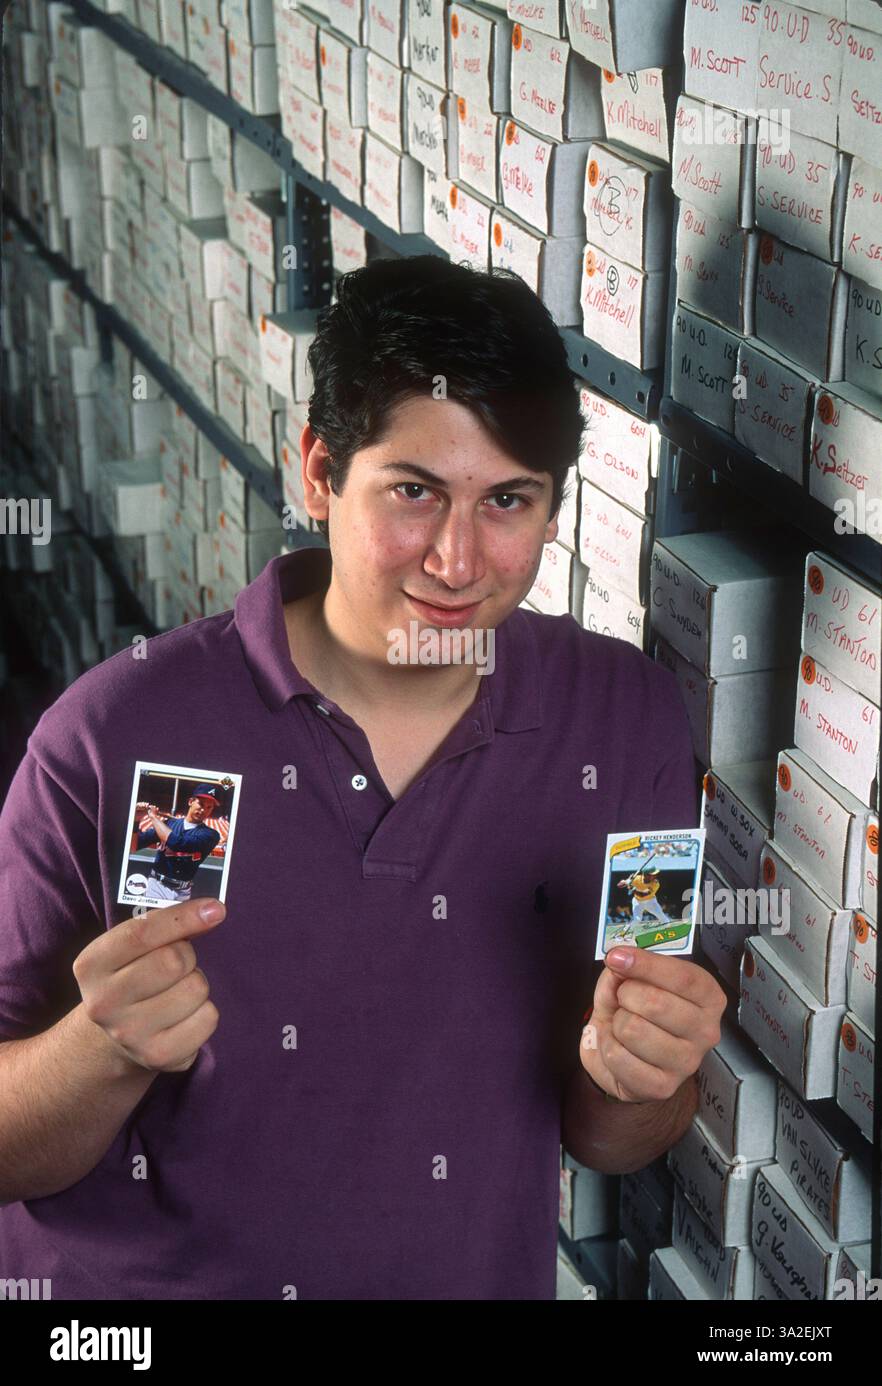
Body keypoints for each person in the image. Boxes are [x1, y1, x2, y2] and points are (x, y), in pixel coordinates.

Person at [0, 256, 726, 1300]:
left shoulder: (622, 720)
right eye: (414, 492)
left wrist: (640, 1078)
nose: (458, 560)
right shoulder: (125, 731)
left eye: (509, 501)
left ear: (556, 510)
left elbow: (616, 1131)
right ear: (318, 471)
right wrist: (102, 1051)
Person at [132, 786, 223, 905]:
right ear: (191, 802)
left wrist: (153, 817)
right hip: (157, 885)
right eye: (200, 804)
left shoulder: (211, 835)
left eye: (209, 807)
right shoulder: (167, 824)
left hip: (183, 892)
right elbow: (134, 846)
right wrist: (135, 821)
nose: (203, 810)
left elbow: (178, 844)